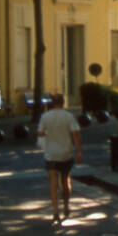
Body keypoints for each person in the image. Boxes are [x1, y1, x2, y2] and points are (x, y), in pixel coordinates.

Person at [36, 93, 83, 225]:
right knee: (65, 180)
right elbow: (75, 134)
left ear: (52, 103)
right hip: (65, 153)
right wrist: (79, 151)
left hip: (51, 154)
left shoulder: (45, 117)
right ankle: (66, 206)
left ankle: (55, 210)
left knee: (53, 182)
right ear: (62, 103)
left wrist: (48, 132)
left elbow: (39, 133)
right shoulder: (68, 117)